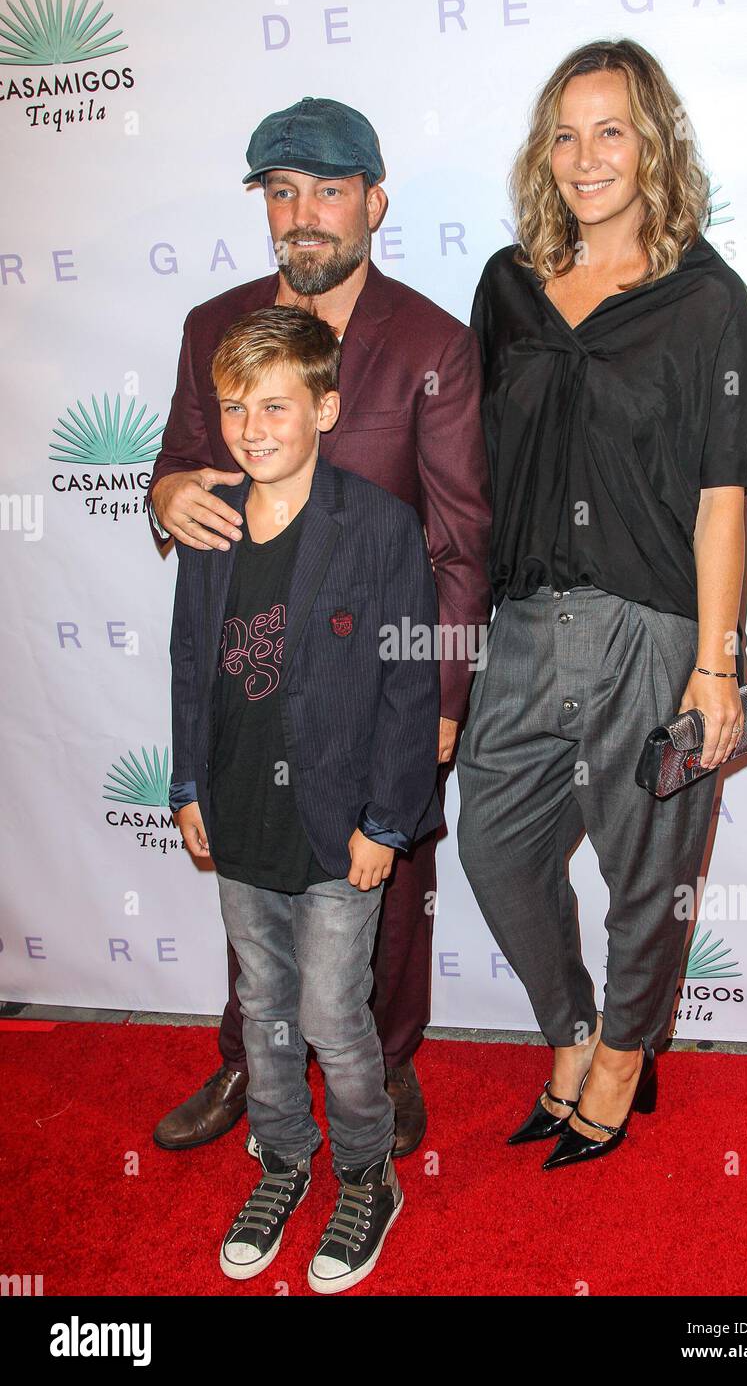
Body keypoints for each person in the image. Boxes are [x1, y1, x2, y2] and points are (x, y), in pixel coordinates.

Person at [149, 97, 491, 1158]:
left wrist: (442, 697)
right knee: (253, 872)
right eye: (281, 191)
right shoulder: (213, 326)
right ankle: (252, 1060)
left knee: (383, 876)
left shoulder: (432, 343)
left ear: (373, 203)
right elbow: (179, 464)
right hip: (249, 668)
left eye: (328, 191)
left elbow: (461, 539)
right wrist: (165, 495)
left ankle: (383, 1061)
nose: (301, 214)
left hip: (379, 678)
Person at [456, 39, 747, 1169]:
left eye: (612, 131)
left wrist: (715, 668)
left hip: (651, 628)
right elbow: (467, 462)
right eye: (565, 134)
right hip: (525, 623)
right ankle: (572, 1026)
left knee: (647, 872)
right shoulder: (506, 287)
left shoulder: (706, 301)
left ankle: (625, 1055)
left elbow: (721, 499)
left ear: (653, 147)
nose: (586, 157)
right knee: (493, 845)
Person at [170, 304, 442, 1291]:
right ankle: (283, 1159)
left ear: (325, 407)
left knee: (331, 1013)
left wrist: (387, 822)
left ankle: (366, 1175)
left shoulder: (379, 525)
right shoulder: (210, 522)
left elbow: (410, 685)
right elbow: (190, 659)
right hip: (240, 812)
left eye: (275, 405)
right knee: (264, 1010)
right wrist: (189, 784)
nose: (252, 429)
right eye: (235, 407)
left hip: (340, 826)